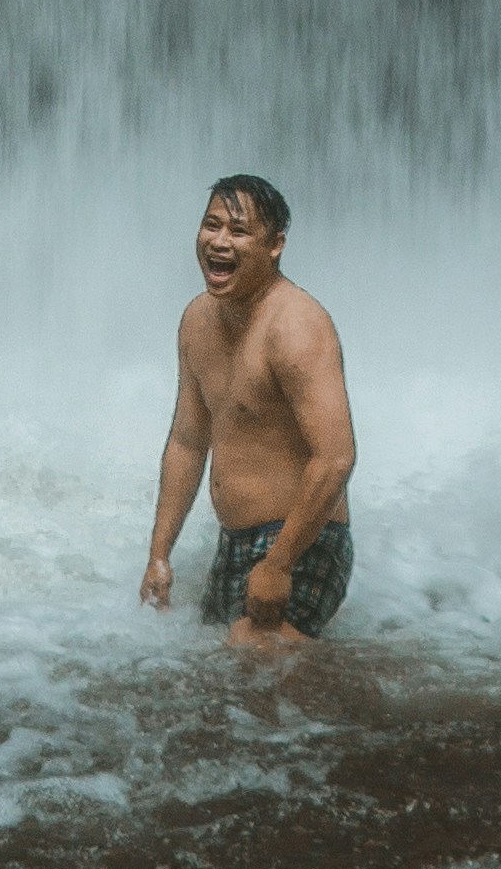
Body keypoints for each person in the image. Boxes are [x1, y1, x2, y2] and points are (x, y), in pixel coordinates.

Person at [138, 169, 357, 637]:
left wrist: (279, 564)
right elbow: (188, 442)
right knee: (212, 670)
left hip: (305, 537)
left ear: (274, 245)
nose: (218, 242)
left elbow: (336, 457)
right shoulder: (197, 320)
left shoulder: (296, 326)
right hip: (235, 541)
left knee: (253, 654)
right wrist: (159, 554)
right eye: (211, 225)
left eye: (238, 231)